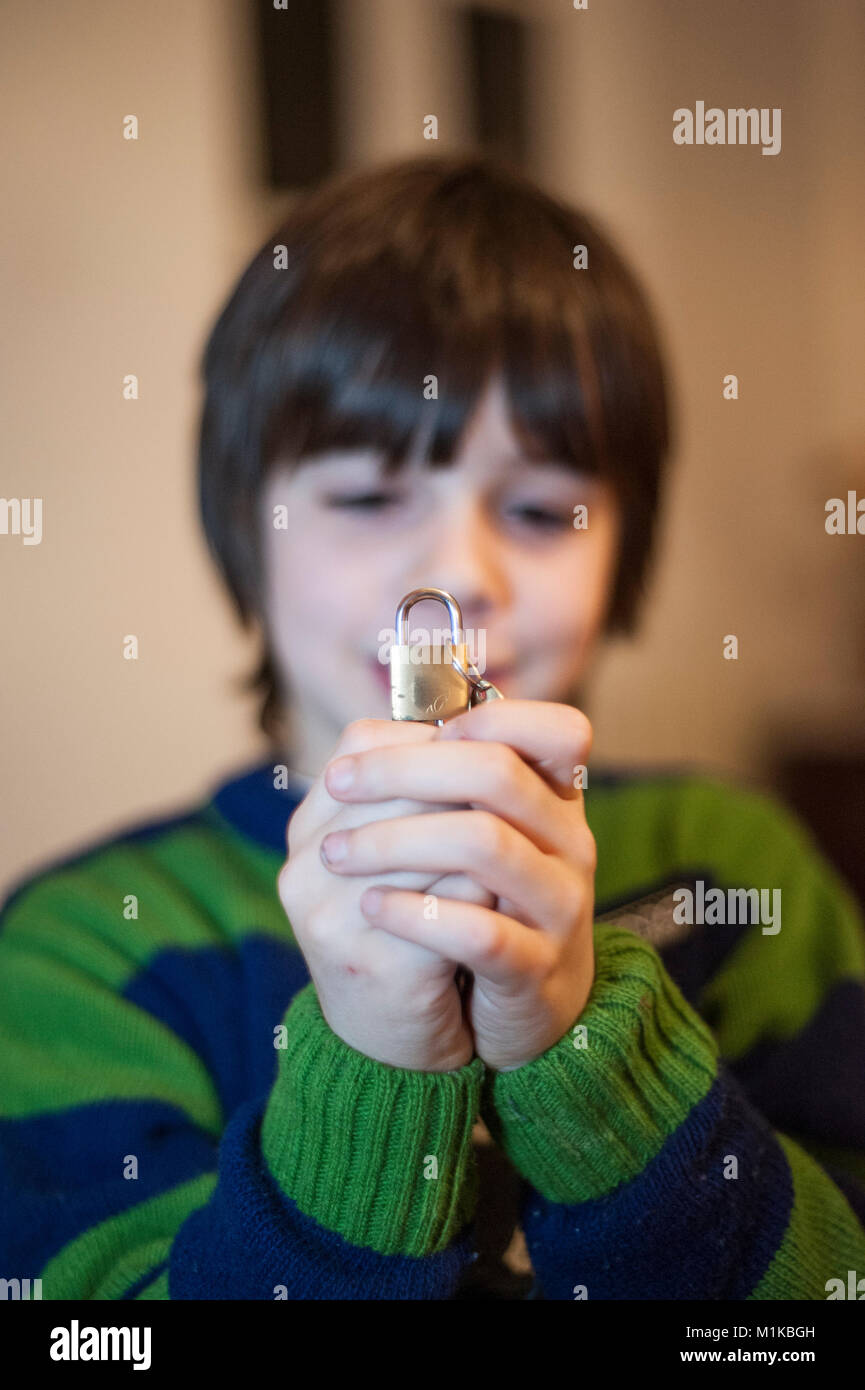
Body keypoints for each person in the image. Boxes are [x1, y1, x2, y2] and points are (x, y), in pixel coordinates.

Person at [2, 154, 864, 1301]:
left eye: (537, 508)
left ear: (628, 552)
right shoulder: (83, 950)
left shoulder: (743, 871)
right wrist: (370, 1064)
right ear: (243, 538)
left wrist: (581, 1046)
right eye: (365, 496)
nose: (459, 575)